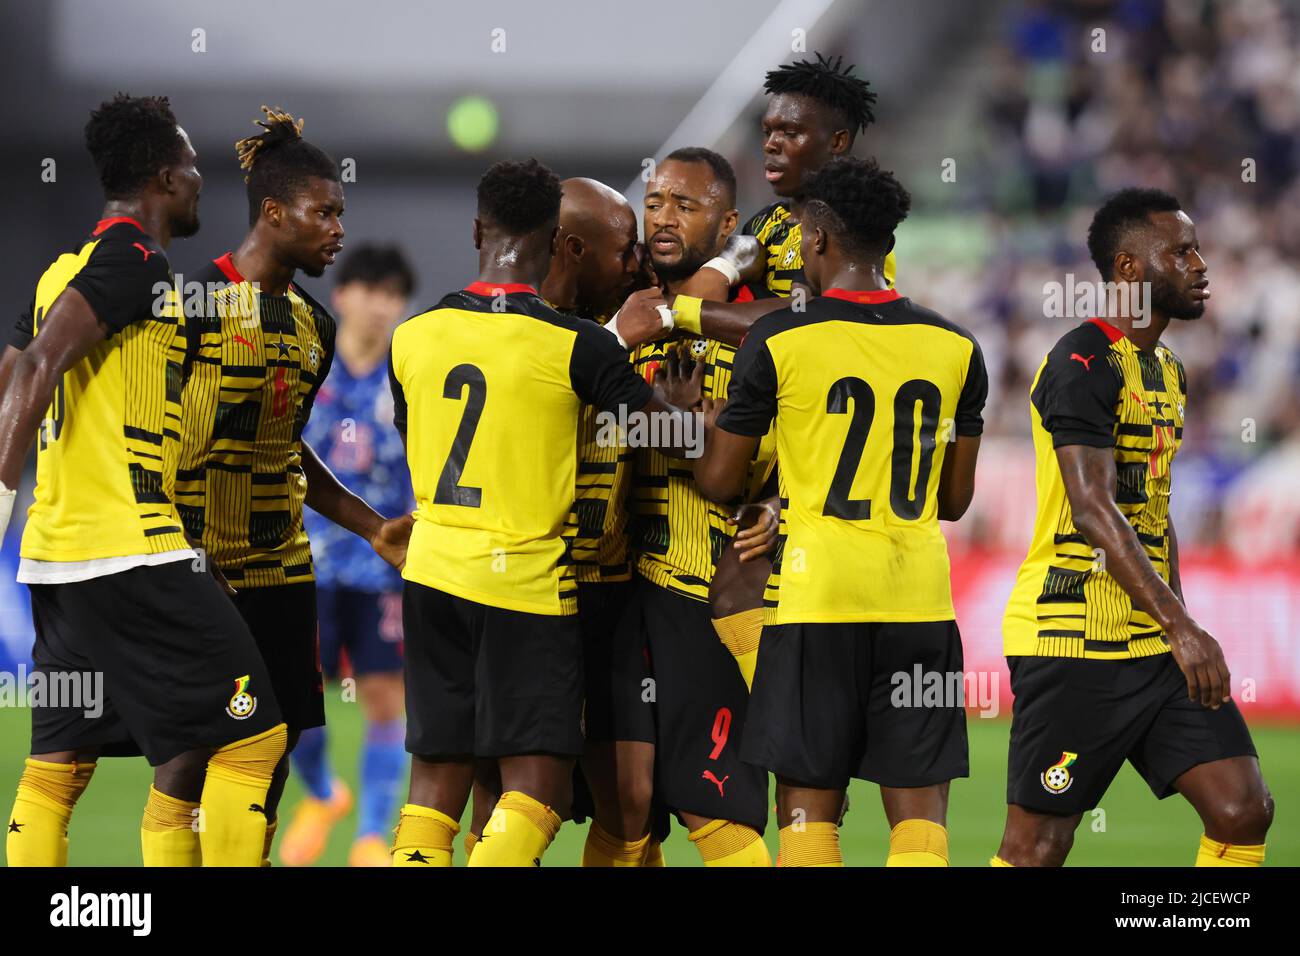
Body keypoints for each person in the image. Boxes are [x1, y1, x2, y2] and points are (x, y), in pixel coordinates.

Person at [1, 94, 287, 868]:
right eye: (193, 165)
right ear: (165, 176)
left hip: (59, 560)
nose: (200, 178)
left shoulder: (62, 268)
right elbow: (31, 365)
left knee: (56, 770)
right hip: (130, 548)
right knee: (253, 738)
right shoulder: (135, 259)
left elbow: (10, 368)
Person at [387, 158, 695, 867]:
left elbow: (418, 444)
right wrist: (680, 416)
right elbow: (675, 439)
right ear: (560, 241)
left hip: (433, 579)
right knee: (541, 786)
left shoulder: (416, 335)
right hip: (525, 586)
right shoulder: (578, 346)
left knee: (435, 784)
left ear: (475, 229)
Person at [695, 156, 986, 866]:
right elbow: (953, 501)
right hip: (919, 600)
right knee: (919, 815)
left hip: (816, 599)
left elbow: (721, 482)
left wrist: (683, 420)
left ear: (818, 240)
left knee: (807, 809)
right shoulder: (957, 348)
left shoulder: (779, 339)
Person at [994, 188, 1273, 867]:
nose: (1200, 264)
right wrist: (1184, 627)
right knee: (1037, 848)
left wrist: (1176, 622)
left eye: (1197, 248)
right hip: (1072, 639)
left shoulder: (1167, 370)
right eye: (1181, 252)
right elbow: (1092, 508)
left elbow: (1151, 511)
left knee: (1242, 810)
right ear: (1127, 270)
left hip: (1152, 643)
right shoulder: (1080, 362)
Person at [172, 107, 412, 865]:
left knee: (269, 758)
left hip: (285, 573)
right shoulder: (191, 306)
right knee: (192, 761)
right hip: (204, 575)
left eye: (341, 213)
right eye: (325, 213)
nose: (337, 229)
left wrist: (373, 526)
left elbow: (289, 453)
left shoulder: (312, 325)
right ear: (273, 212)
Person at [586, 148, 778, 867]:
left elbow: (752, 467)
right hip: (606, 591)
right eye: (657, 200)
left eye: (685, 205)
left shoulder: (751, 333)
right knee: (624, 804)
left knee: (709, 801)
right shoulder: (614, 310)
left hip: (699, 593)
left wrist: (780, 499)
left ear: (725, 221)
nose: (663, 216)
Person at [279, 245, 418, 867]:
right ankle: (324, 792)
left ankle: (370, 836)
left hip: (384, 565)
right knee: (295, 703)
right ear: (342, 295)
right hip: (304, 561)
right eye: (370, 290)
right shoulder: (312, 368)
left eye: (393, 294)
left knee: (386, 697)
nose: (380, 305)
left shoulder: (409, 375)